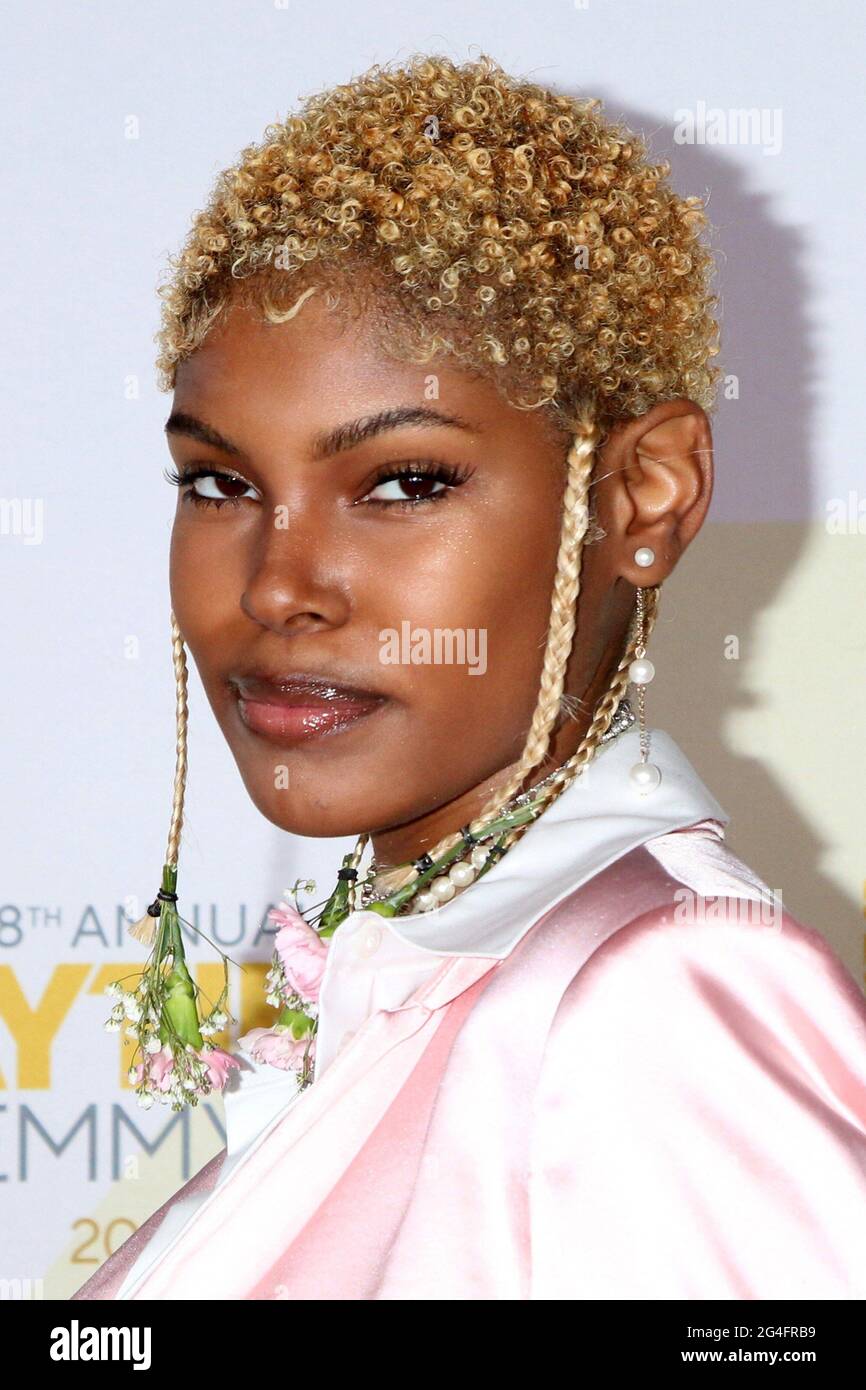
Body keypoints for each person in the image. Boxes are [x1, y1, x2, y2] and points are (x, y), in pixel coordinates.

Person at [72, 53, 866, 1300]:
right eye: (221, 484)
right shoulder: (419, 973)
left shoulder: (650, 999)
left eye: (403, 483)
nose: (279, 585)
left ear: (641, 492)